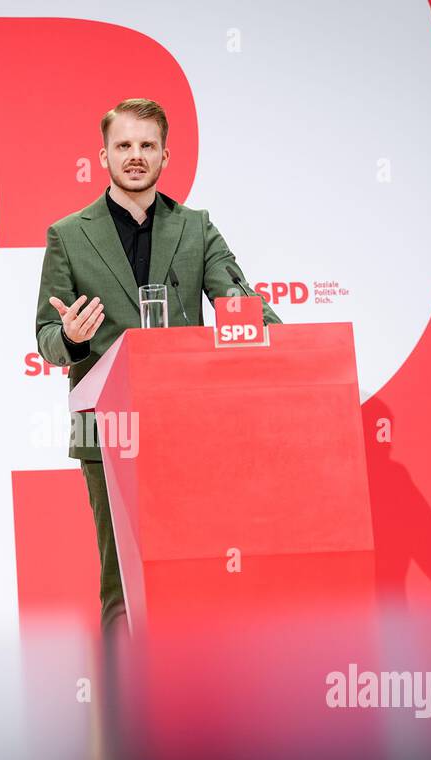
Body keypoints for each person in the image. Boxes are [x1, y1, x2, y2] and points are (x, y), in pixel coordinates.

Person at [35, 98, 281, 639]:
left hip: (189, 426)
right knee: (121, 583)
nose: (136, 155)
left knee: (197, 574)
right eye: (124, 145)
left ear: (165, 155)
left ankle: (196, 703)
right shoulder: (68, 235)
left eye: (147, 145)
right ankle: (126, 710)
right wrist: (71, 338)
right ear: (104, 155)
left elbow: (240, 301)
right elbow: (46, 338)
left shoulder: (196, 228)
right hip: (106, 429)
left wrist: (282, 336)